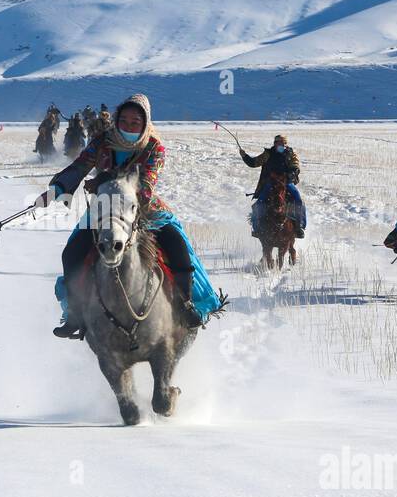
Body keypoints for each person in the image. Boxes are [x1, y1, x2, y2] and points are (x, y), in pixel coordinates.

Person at [36, 93, 221, 338]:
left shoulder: (154, 148)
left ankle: (184, 304)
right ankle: (76, 312)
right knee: (71, 254)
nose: (129, 126)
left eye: (135, 122)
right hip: (103, 210)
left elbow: (145, 186)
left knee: (176, 246)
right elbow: (80, 166)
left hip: (143, 210)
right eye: (124, 120)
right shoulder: (103, 141)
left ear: (145, 123)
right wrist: (57, 188)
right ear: (116, 119)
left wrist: (105, 179)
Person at [241, 134, 306, 238]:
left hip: (286, 182)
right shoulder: (268, 154)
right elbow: (254, 163)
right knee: (259, 203)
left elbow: (295, 166)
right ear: (274, 144)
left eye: (282, 143)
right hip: (270, 183)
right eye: (277, 143)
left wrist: (292, 174)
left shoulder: (291, 154)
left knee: (298, 200)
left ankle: (300, 226)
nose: (279, 145)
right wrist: (245, 156)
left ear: (285, 144)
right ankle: (256, 228)